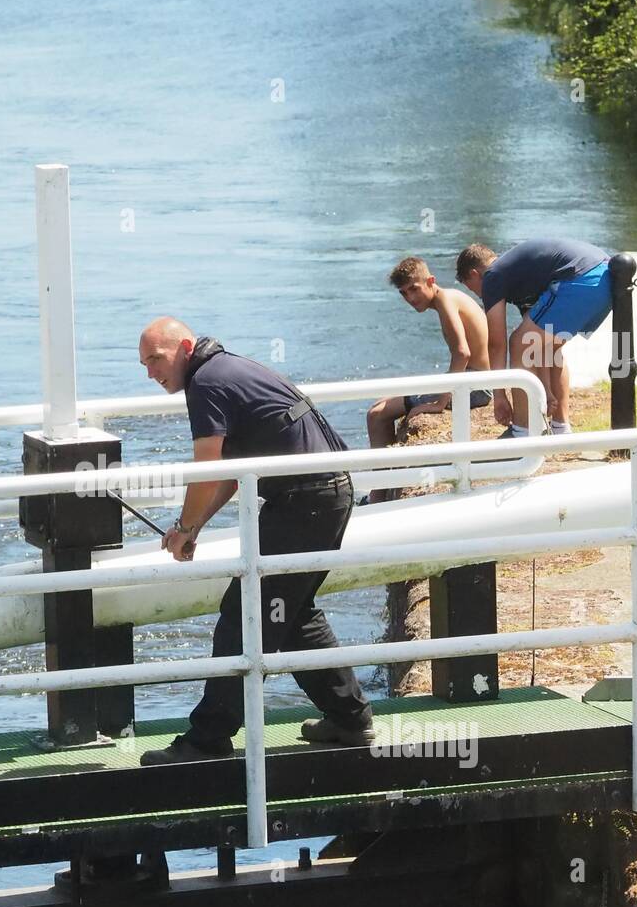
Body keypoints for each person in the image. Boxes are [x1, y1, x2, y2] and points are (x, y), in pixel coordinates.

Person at [135, 317, 375, 766]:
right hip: (323, 494)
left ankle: (208, 741)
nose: (151, 371)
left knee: (244, 615)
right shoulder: (224, 369)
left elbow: (206, 464)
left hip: (305, 501)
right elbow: (229, 469)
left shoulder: (205, 382)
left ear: (184, 347)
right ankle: (350, 719)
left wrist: (185, 530)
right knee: (291, 612)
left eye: (156, 358)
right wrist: (195, 526)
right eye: (144, 363)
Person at [456, 239, 611, 439]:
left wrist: (499, 396)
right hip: (604, 278)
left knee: (518, 342)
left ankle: (523, 430)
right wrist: (546, 391)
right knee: (549, 347)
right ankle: (560, 428)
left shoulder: (493, 275)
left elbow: (496, 345)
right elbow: (538, 351)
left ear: (475, 274)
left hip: (580, 278)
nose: (479, 295)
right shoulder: (521, 275)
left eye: (473, 289)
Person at [366, 256, 492, 457]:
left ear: (431, 281)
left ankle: (382, 487)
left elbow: (462, 352)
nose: (410, 298)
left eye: (414, 289)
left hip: (475, 388)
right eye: (404, 293)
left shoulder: (445, 300)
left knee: (377, 415)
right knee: (379, 404)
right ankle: (387, 480)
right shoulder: (450, 297)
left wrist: (441, 402)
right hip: (476, 381)